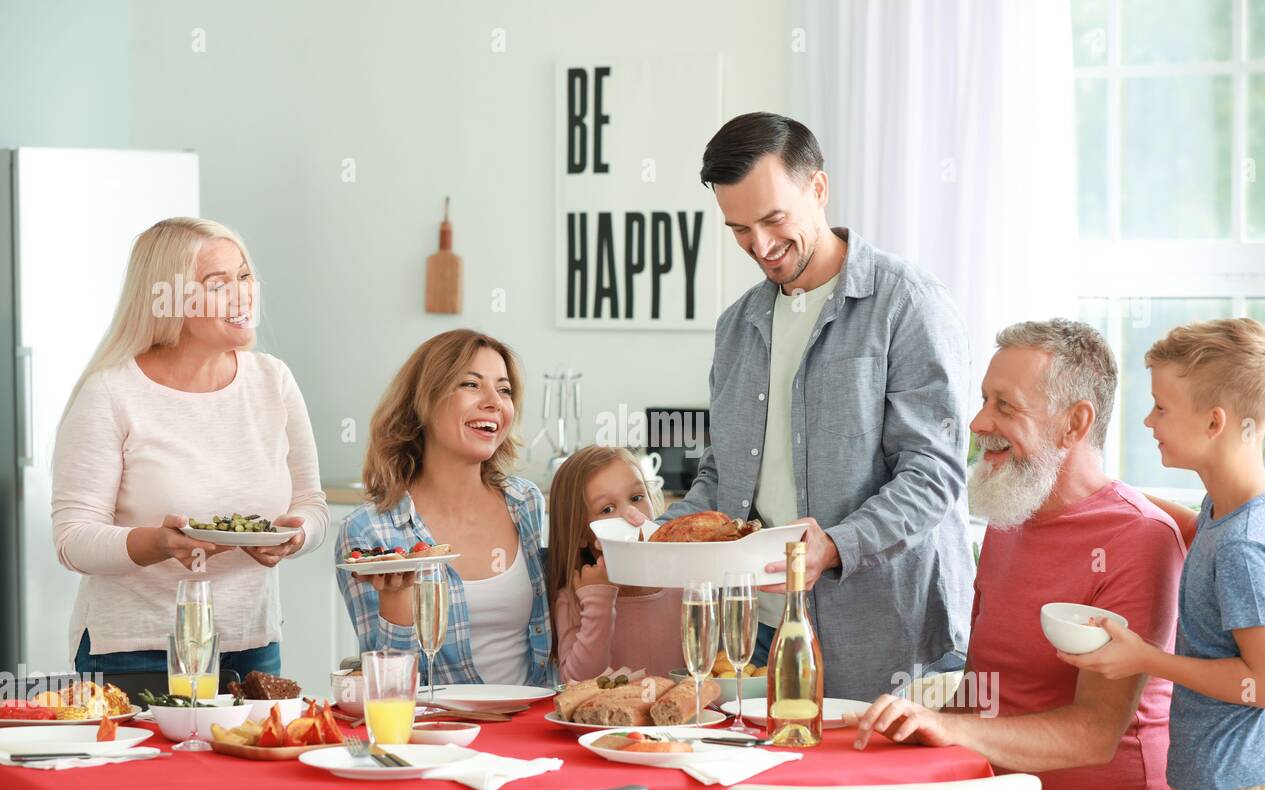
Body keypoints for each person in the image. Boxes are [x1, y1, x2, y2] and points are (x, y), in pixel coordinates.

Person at [619, 112, 972, 697]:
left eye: (773, 219)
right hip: (756, 632)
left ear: (819, 189)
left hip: (886, 634)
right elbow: (724, 476)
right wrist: (652, 538)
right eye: (739, 229)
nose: (760, 246)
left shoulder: (907, 305)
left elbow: (933, 473)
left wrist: (836, 545)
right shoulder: (737, 327)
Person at [849, 320, 1185, 790]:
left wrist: (947, 727)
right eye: (985, 401)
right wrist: (911, 731)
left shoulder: (1138, 538)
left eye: (1005, 406)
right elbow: (984, 690)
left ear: (1075, 423)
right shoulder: (1010, 515)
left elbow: (1095, 734)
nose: (979, 423)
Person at [1064, 318, 1265, 790]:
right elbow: (1203, 534)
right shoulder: (1240, 503)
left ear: (1215, 422)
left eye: (1161, 407)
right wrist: (1108, 492)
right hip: (1226, 784)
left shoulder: (1244, 546)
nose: (1149, 421)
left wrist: (1144, 658)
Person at [52, 217, 328, 678]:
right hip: (135, 651)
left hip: (252, 646)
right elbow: (73, 541)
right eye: (218, 285)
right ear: (169, 298)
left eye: (244, 276)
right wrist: (158, 543)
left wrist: (296, 537)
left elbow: (311, 505)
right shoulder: (112, 392)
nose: (243, 296)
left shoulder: (272, 380)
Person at [336, 329, 553, 686]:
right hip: (438, 719)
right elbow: (388, 688)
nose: (494, 402)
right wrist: (396, 598)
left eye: (504, 390)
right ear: (424, 400)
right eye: (471, 384)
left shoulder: (525, 503)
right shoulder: (369, 532)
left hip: (531, 716)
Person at [547, 445, 683, 682]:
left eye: (637, 498)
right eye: (607, 509)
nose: (630, 515)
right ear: (580, 534)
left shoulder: (684, 586)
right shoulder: (574, 599)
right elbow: (577, 683)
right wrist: (598, 600)